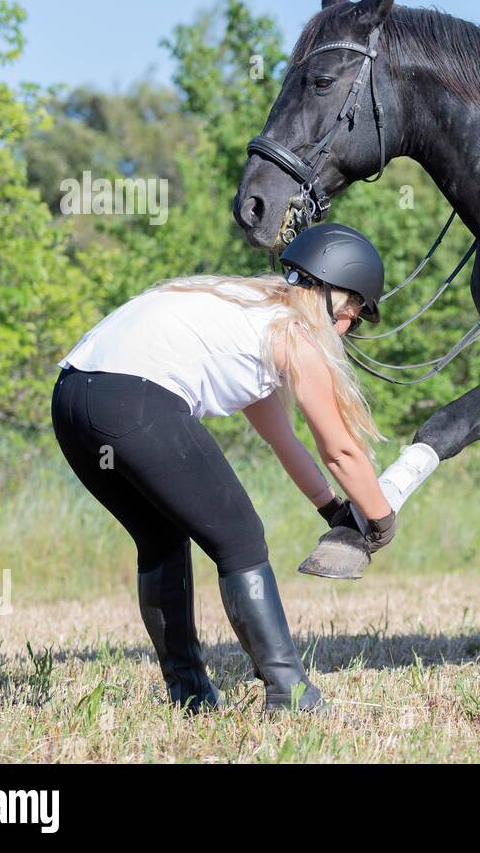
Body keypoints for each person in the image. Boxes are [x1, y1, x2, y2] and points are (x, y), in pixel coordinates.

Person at [50, 224, 395, 713]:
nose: (344, 331)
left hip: (72, 399)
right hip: (134, 402)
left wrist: (333, 510)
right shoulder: (292, 334)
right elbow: (340, 451)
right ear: (328, 294)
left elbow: (283, 440)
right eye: (348, 316)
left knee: (161, 539)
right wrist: (381, 520)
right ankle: (288, 691)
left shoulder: (247, 311)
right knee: (240, 538)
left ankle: (189, 693)